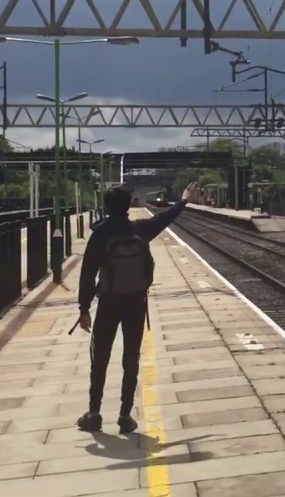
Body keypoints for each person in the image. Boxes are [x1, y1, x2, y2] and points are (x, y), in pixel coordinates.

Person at [75, 181, 198, 433]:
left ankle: (94, 413)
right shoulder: (139, 230)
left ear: (107, 207)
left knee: (100, 358)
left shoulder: (100, 235)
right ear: (128, 206)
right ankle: (125, 415)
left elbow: (87, 274)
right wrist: (184, 200)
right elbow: (165, 218)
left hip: (109, 303)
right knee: (131, 357)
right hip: (135, 303)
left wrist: (84, 308)